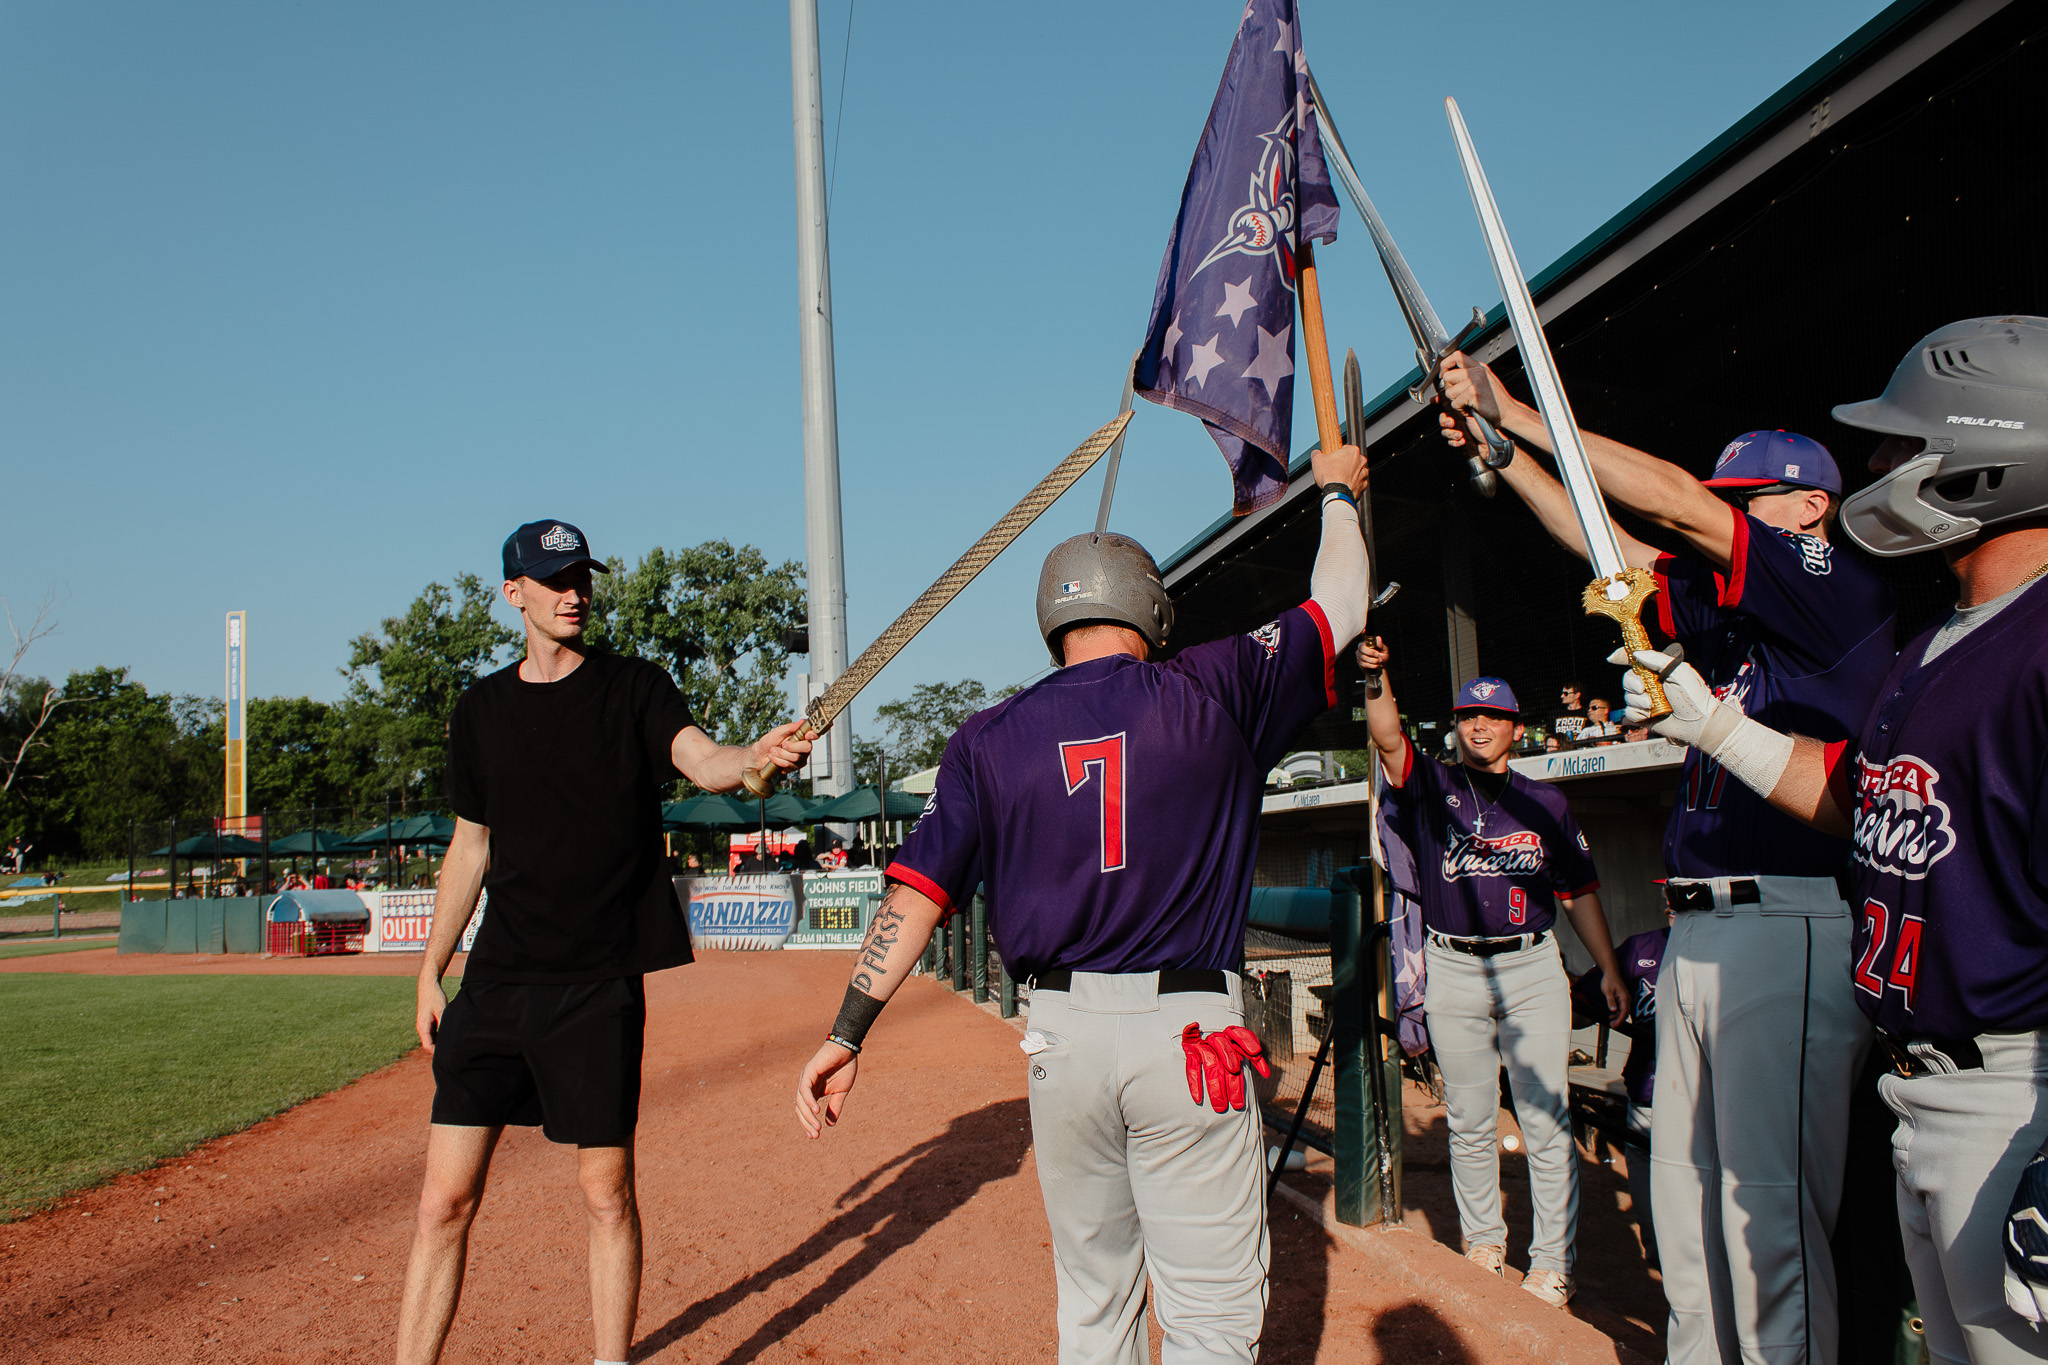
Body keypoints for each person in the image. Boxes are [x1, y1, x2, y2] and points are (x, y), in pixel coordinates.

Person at [793, 441, 1372, 1363]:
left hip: (1059, 1038)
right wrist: (1337, 492)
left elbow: (917, 892)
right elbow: (1341, 603)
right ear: (1150, 607)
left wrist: (847, 1029)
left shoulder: (986, 737)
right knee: (1210, 1317)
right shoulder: (1213, 682)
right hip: (1190, 1032)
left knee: (1096, 1309)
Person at [1442, 354, 1895, 1364]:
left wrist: (1514, 405)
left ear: (1811, 506)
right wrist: (1508, 454)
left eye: (1748, 505)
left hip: (1792, 918)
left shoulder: (1837, 582)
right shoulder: (1732, 615)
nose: (1718, 522)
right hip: (1702, 927)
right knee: (1684, 1209)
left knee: (1768, 1223)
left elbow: (1680, 508)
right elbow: (1618, 552)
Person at [1616, 315, 2048, 1365]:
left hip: (2017, 1093)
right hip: (1925, 1092)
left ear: (1990, 455)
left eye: (1901, 446)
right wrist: (1711, 724)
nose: (1874, 466)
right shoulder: (1936, 646)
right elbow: (1847, 795)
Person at [395, 518, 811, 1365]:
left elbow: (705, 762)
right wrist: (431, 970)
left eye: (581, 576)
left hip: (597, 980)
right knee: (443, 1199)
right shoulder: (479, 711)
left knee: (604, 1194)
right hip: (500, 979)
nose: (573, 592)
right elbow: (469, 844)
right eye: (553, 579)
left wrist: (756, 753)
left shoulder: (634, 688)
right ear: (513, 592)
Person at [1355, 640, 1625, 1307]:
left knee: (1544, 1118)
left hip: (1532, 964)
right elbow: (1387, 735)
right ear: (1456, 725)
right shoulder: (1432, 785)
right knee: (1471, 1118)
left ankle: (1552, 1261)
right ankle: (1483, 1241)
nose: (1478, 725)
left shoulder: (1546, 802)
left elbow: (1580, 890)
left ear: (1514, 726)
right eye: (1467, 716)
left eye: (1492, 716)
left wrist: (1608, 967)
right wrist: (1376, 675)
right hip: (1453, 964)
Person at [1571, 917, 1670, 1266]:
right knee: (1657, 1234)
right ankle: (1660, 1263)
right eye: (1667, 893)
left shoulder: (1726, 946)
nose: (1671, 903)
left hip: (1711, 1102)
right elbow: (1581, 1009)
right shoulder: (1642, 948)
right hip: (1649, 1096)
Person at [1551, 683, 1589, 747]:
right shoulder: (1556, 714)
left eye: (1566, 694)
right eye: (1562, 693)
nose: (1562, 696)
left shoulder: (1586, 713)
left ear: (1577, 695)